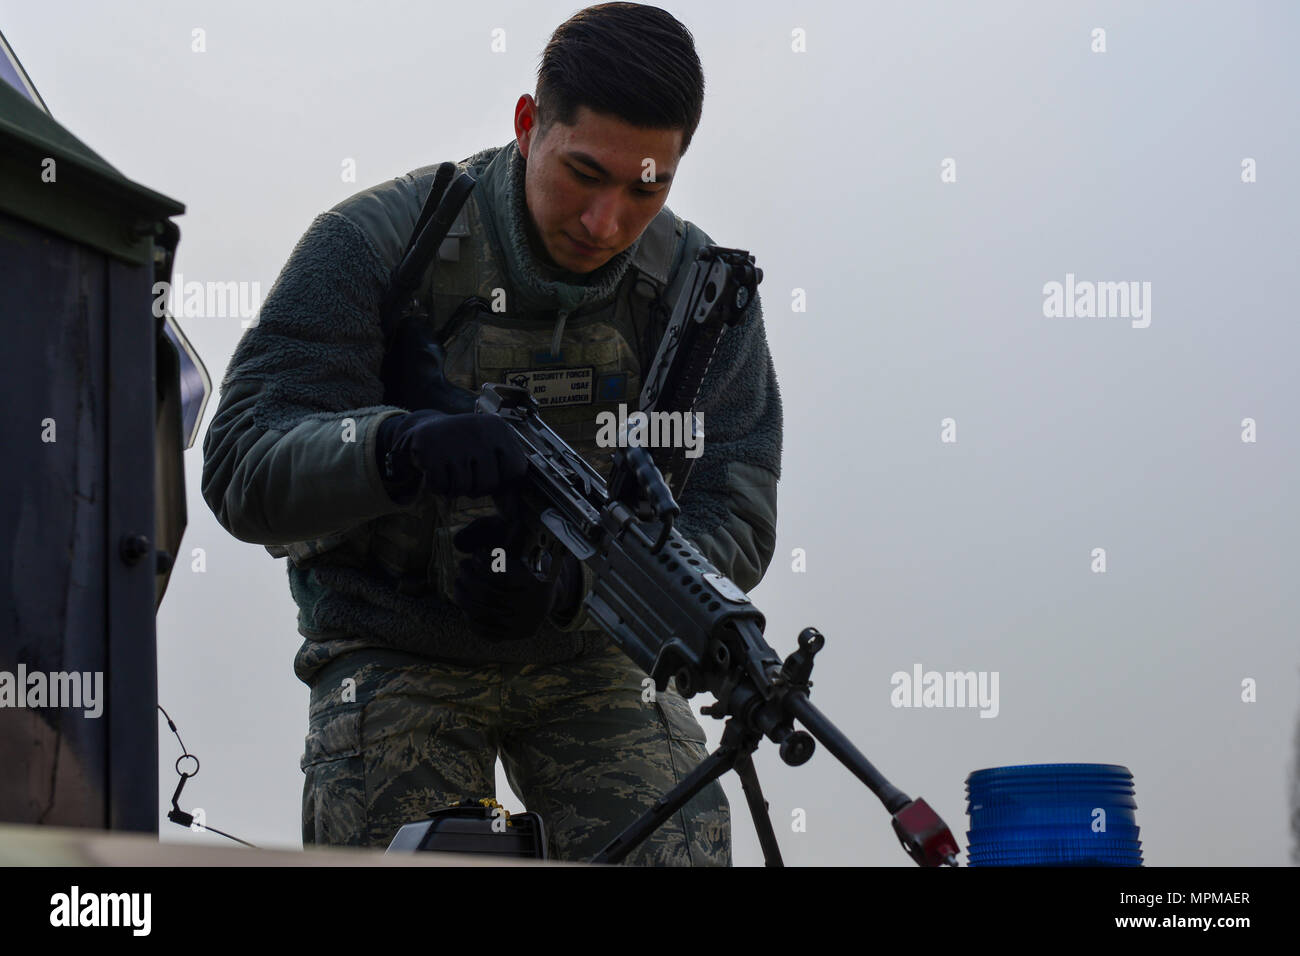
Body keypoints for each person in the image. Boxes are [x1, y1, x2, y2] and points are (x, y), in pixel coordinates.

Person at [201, 2, 781, 865]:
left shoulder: (700, 298)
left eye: (645, 187)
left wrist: (578, 587)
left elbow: (733, 505)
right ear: (525, 125)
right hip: (394, 638)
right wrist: (392, 449)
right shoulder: (375, 245)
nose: (605, 221)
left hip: (592, 654)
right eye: (583, 173)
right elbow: (242, 462)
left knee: (676, 842)